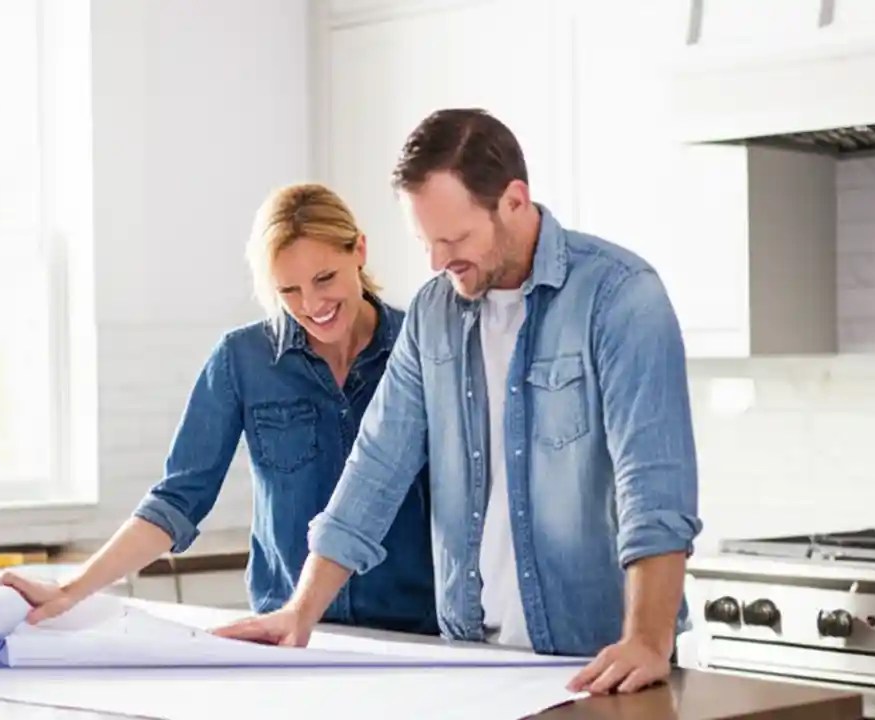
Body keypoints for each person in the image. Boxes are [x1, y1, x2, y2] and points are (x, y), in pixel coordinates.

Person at [214, 109, 703, 695]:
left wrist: (647, 640)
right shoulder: (433, 315)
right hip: (474, 664)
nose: (438, 262)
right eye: (426, 242)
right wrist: (301, 610)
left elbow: (654, 486)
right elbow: (377, 466)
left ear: (515, 202)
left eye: (455, 239)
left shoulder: (620, 297)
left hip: (599, 665)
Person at [0, 183, 439, 635]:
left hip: (412, 633)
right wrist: (70, 589)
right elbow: (176, 500)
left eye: (324, 278)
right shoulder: (242, 360)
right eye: (288, 289)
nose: (312, 305)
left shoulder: (421, 348)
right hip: (285, 633)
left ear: (359, 249)